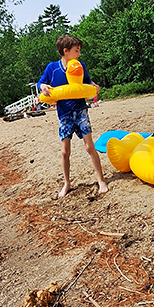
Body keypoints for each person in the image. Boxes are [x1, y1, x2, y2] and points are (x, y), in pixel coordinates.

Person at [38, 35, 108, 198]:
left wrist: (94, 86)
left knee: (90, 147)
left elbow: (88, 83)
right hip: (64, 113)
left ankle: (101, 180)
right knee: (64, 152)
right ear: (66, 51)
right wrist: (43, 86)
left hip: (81, 110)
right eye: (76, 51)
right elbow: (40, 83)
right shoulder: (52, 68)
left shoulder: (80, 66)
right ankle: (67, 183)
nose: (79, 54)